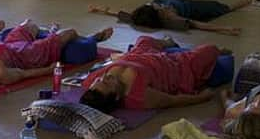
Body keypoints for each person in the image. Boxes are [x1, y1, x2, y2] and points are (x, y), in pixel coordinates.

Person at [79, 35, 222, 113]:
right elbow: (173, 100)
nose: (103, 77)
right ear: (116, 96)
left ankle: (167, 42)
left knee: (143, 39)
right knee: (210, 49)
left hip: (140, 53)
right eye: (106, 83)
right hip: (175, 65)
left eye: (99, 79)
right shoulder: (139, 96)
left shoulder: (90, 84)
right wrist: (203, 97)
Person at [0, 22, 114, 88]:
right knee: (70, 32)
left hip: (10, 44)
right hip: (30, 54)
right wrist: (49, 70)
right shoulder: (0, 72)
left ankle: (49, 33)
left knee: (30, 24)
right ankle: (94, 38)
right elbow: (24, 74)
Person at [89, 0, 251, 35]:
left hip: (175, 0)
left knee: (220, 7)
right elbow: (197, 24)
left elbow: (117, 12)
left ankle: (244, 1)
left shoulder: (141, 13)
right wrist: (225, 29)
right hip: (193, 8)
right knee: (221, 9)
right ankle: (244, 2)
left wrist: (100, 9)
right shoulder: (171, 18)